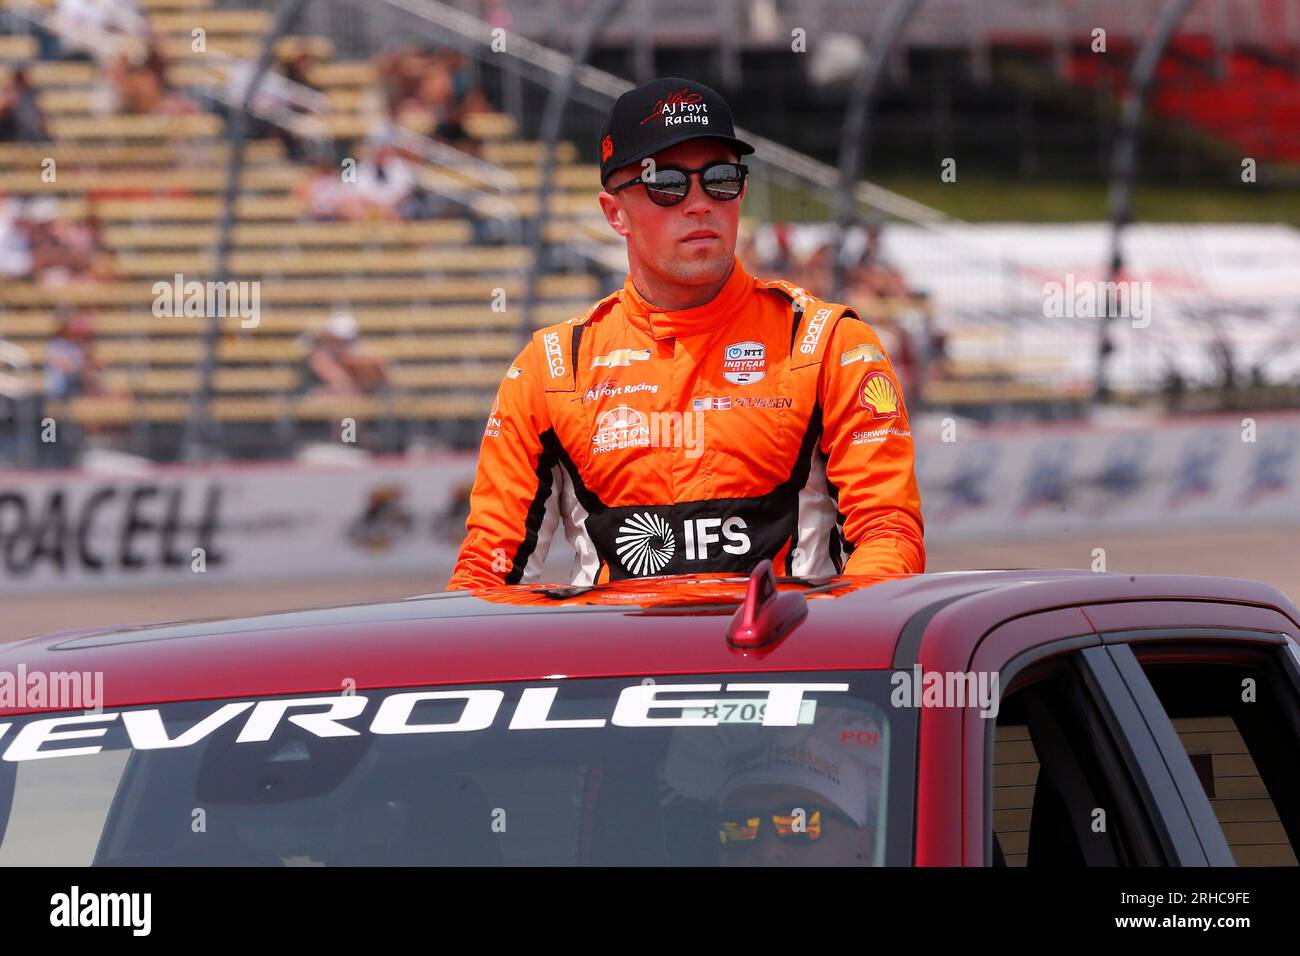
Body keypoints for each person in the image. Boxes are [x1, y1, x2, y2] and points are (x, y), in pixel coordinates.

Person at [447, 77, 924, 590]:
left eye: (720, 178)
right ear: (615, 214)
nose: (699, 203)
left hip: (782, 661)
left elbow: (887, 534)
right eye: (666, 183)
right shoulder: (552, 369)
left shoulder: (829, 346)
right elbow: (486, 575)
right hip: (615, 665)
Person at [298, 310, 388, 395]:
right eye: (335, 340)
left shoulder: (363, 360)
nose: (338, 345)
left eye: (344, 341)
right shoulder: (319, 358)